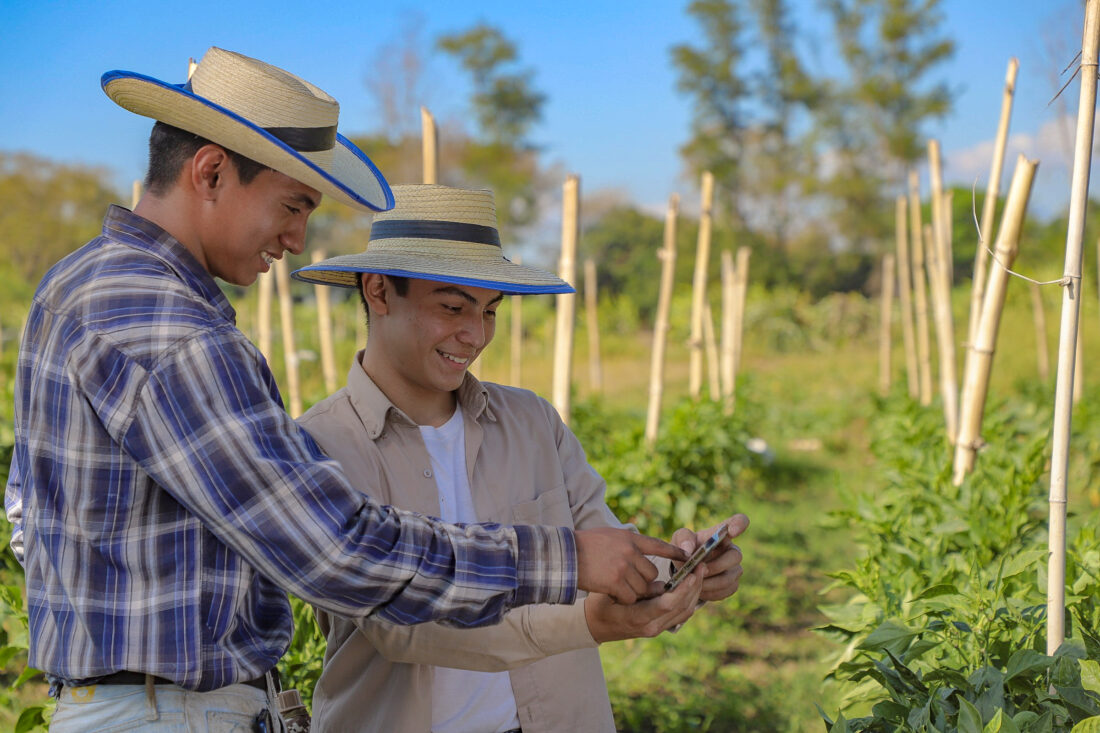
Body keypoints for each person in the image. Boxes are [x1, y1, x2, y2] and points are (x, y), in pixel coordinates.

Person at [4, 47, 685, 732]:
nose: (298, 239)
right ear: (211, 171)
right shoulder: (168, 326)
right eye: (293, 205)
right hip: (170, 713)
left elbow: (25, 518)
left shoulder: (80, 284)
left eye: (490, 309)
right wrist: (564, 558)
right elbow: (335, 550)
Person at [292, 184, 749, 733]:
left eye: (489, 311)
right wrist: (589, 623)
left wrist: (680, 572)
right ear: (379, 291)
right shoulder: (319, 448)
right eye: (453, 307)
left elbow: (599, 548)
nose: (475, 334)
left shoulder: (531, 422)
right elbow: (401, 627)